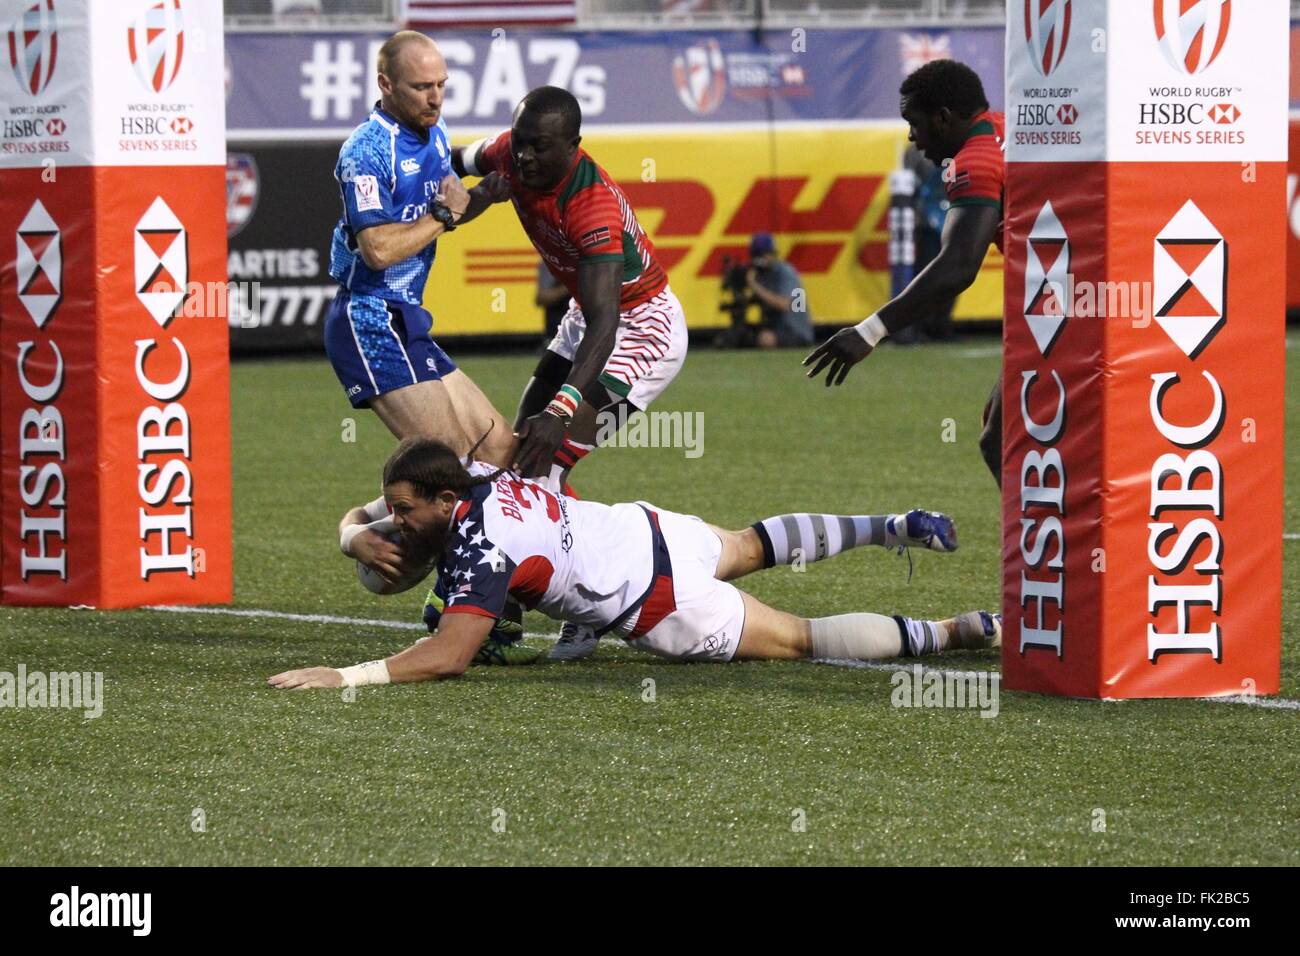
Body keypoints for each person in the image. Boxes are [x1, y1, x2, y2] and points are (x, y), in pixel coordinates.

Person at [267, 439, 1000, 691]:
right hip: (648, 529)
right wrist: (349, 532)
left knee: (803, 637)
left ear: (442, 496)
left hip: (659, 603)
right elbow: (385, 507)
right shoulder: (470, 471)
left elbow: (449, 655)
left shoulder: (481, 550)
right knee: (752, 541)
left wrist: (347, 675)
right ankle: (891, 526)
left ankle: (958, 632)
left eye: (403, 509)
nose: (395, 520)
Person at [453, 85, 691, 661]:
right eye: (521, 145)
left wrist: (561, 412)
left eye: (539, 148)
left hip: (642, 328)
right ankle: (542, 597)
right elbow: (453, 157)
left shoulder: (592, 205)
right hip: (587, 317)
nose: (525, 159)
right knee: (517, 454)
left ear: (573, 147)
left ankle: (584, 609)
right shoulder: (511, 150)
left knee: (546, 457)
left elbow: (610, 322)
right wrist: (452, 191)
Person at [803, 59, 1004, 483]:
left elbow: (958, 266)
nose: (912, 136)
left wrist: (870, 330)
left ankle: (1055, 549)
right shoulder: (1005, 129)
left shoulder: (975, 162)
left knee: (1005, 441)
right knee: (1005, 437)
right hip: (1074, 305)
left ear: (944, 118)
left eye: (914, 123)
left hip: (1068, 316)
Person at [322, 30, 515, 465]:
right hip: (369, 318)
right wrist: (446, 215)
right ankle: (362, 534)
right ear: (385, 84)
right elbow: (378, 250)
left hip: (406, 318)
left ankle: (374, 525)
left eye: (441, 85)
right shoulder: (365, 150)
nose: (435, 99)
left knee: (499, 449)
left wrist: (487, 191)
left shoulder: (435, 131)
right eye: (422, 87)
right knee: (453, 463)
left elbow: (453, 207)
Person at [746, 233, 814, 349]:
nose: (758, 259)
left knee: (765, 339)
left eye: (762, 255)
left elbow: (784, 304)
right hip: (776, 327)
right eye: (755, 255)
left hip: (795, 330)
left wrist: (754, 285)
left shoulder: (785, 272)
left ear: (771, 254)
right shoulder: (761, 273)